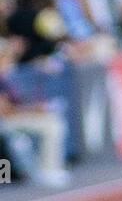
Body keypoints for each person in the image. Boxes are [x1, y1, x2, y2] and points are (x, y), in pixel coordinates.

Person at [0, 34, 70, 186]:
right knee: (52, 126)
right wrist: (35, 110)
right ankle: (49, 170)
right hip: (6, 122)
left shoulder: (7, 78)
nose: (10, 61)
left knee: (52, 121)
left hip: (11, 119)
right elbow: (6, 112)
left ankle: (43, 170)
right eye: (5, 57)